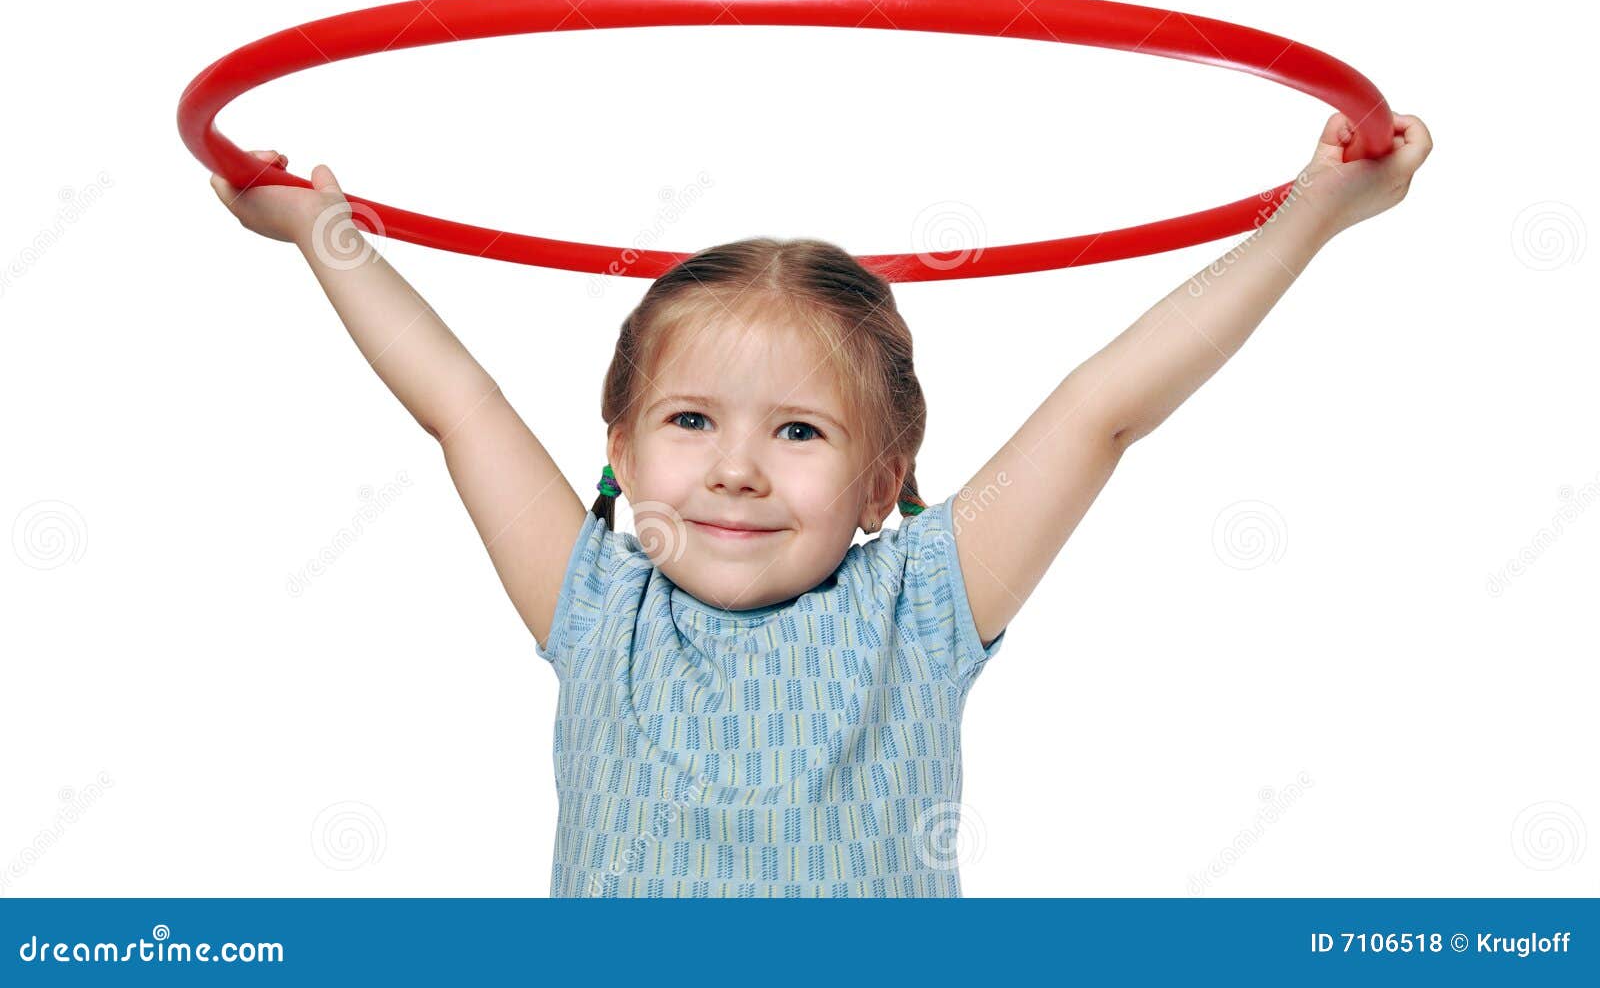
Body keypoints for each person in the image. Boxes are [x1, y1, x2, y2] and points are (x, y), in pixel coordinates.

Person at [209, 111, 1433, 896]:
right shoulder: (593, 601)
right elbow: (458, 403)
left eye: (798, 430)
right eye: (692, 421)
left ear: (880, 470)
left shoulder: (919, 603)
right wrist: (323, 233)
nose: (737, 467)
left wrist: (1306, 219)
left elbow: (1102, 407)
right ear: (621, 451)